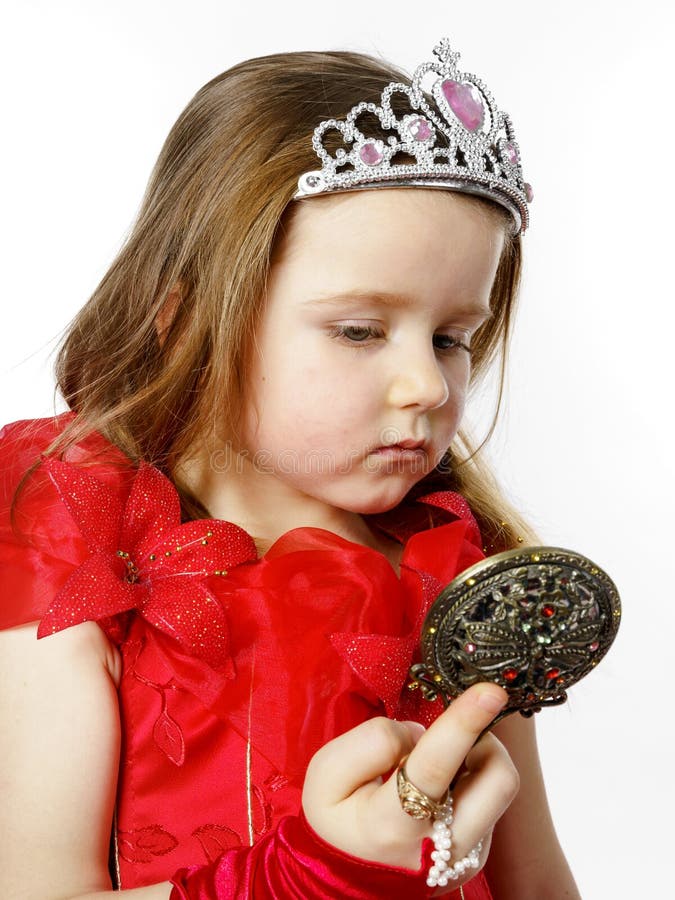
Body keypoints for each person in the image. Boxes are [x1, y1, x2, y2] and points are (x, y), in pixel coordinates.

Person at [0, 38, 581, 899]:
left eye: (452, 338)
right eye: (358, 331)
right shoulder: (76, 524)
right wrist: (309, 876)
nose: (426, 385)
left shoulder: (457, 571)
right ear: (188, 317)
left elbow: (532, 883)